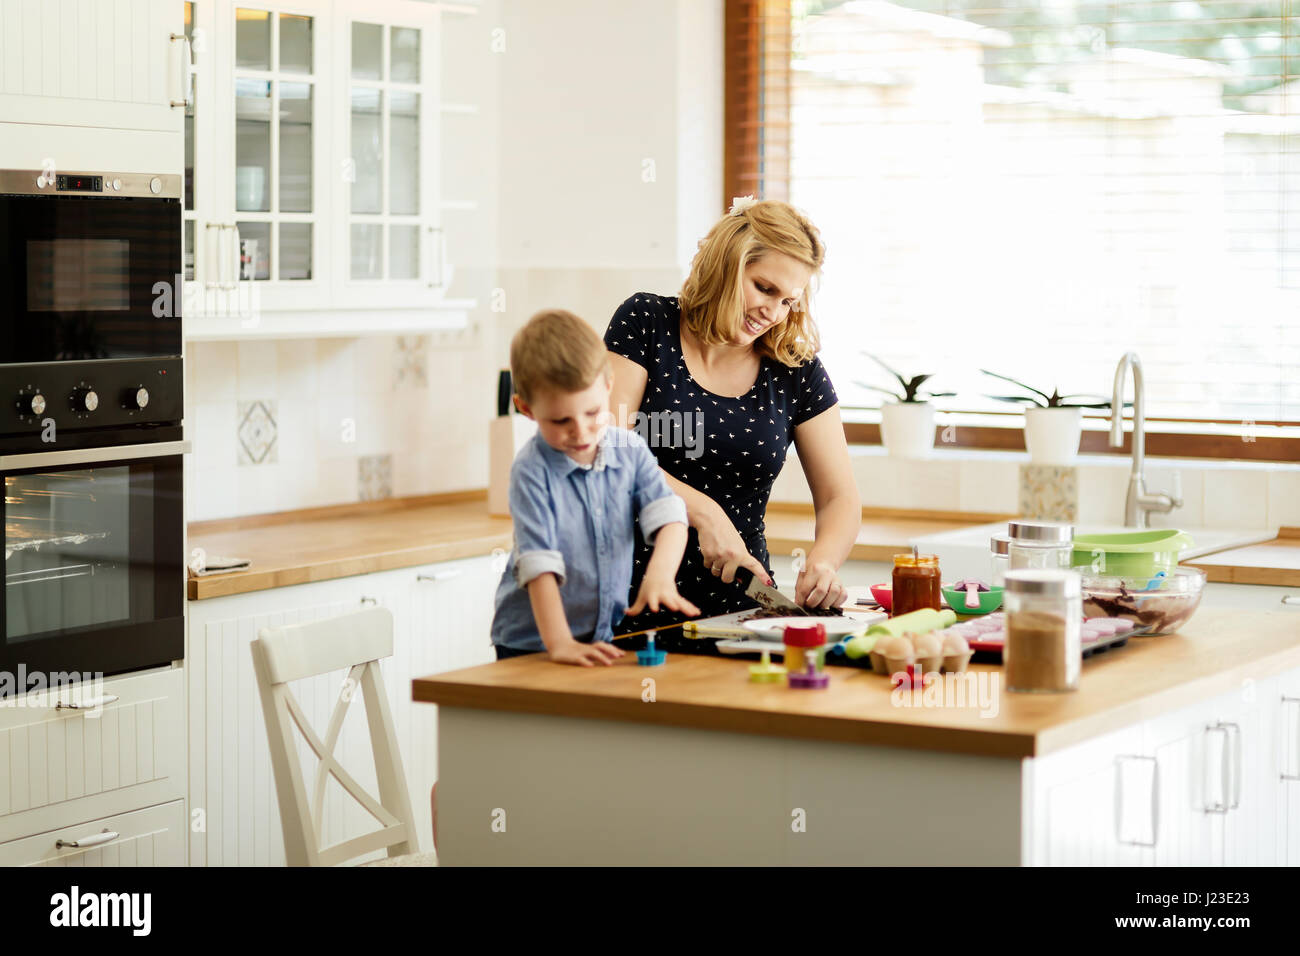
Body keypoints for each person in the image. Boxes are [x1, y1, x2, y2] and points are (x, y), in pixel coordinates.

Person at [604, 197, 861, 637]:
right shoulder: (646, 323)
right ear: (727, 263)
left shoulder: (793, 368)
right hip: (625, 601)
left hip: (742, 612)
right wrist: (705, 514)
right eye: (764, 288)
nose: (772, 312)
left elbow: (840, 498)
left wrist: (823, 561)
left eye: (787, 301)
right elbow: (606, 449)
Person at [489, 308, 700, 665]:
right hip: (531, 643)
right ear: (525, 408)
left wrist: (661, 574)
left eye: (592, 412)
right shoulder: (530, 471)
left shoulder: (631, 452)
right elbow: (538, 565)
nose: (582, 431)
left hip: (598, 635)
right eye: (561, 420)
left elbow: (671, 517)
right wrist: (559, 644)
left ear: (607, 386)